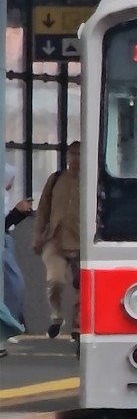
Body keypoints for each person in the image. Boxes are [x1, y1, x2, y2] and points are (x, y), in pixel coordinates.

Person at [32, 142, 81, 341]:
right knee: (55, 280)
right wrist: (38, 236)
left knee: (82, 287)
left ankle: (78, 327)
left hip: (82, 242)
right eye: (72, 154)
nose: (75, 158)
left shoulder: (93, 180)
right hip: (55, 240)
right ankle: (56, 316)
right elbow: (43, 210)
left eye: (79, 154)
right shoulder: (56, 179)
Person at [2, 163, 33, 358]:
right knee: (14, 283)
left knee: (13, 284)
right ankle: (10, 324)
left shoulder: (4, 197)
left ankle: (12, 322)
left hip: (6, 242)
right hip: (4, 244)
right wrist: (17, 212)